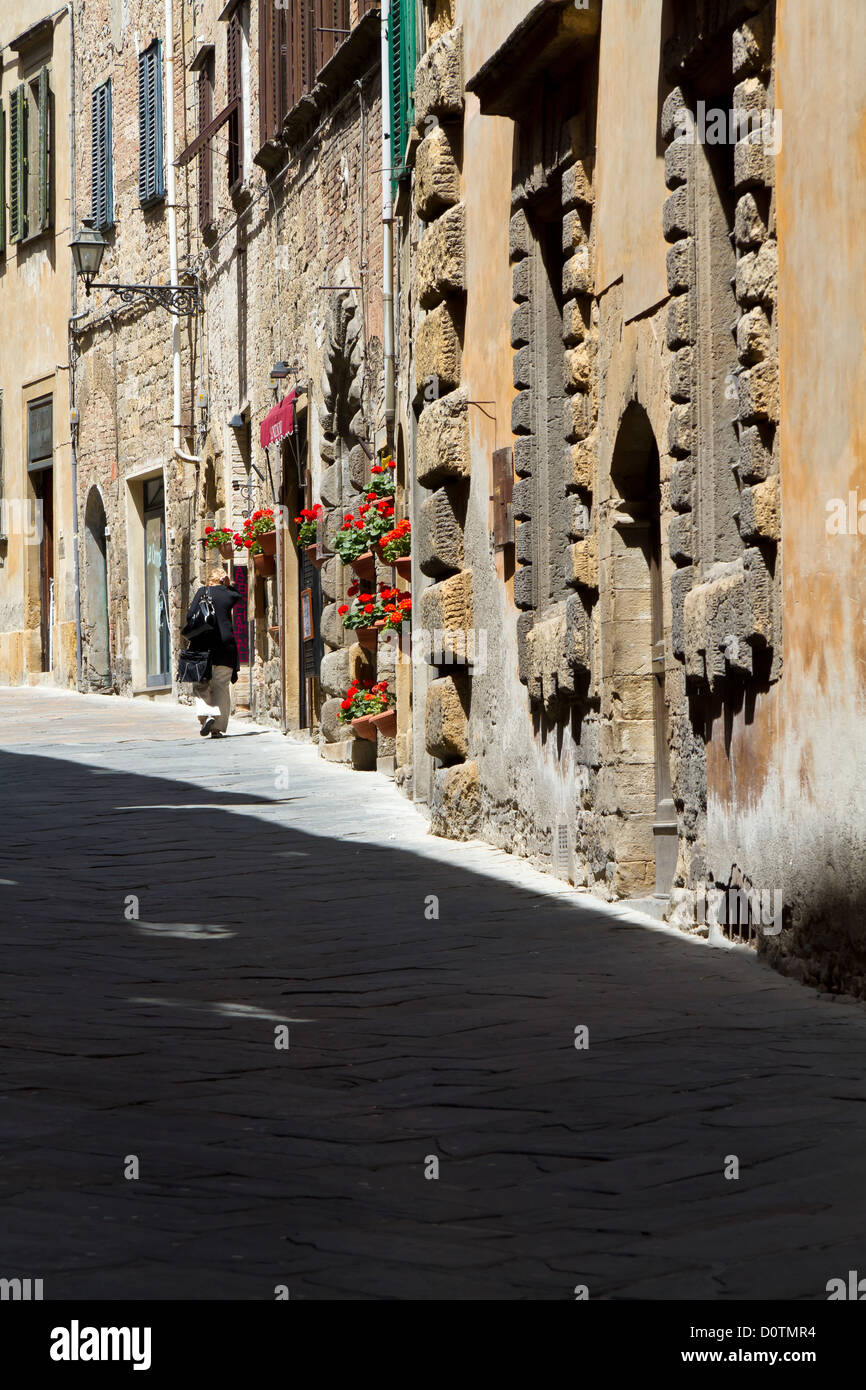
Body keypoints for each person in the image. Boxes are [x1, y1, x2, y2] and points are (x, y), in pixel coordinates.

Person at [185, 567, 243, 739]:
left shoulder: (203, 592)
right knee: (221, 686)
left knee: (201, 684)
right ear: (223, 579)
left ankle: (207, 714)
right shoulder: (228, 594)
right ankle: (217, 728)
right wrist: (229, 586)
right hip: (226, 646)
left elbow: (190, 616)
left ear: (210, 579)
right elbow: (238, 597)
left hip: (202, 645)